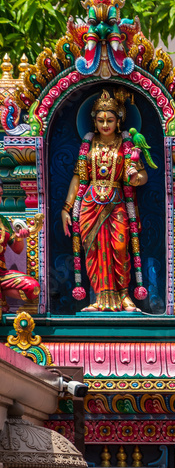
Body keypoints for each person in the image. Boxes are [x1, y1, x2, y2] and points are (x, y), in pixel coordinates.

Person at [61, 89, 148, 312]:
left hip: (117, 201)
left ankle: (124, 296)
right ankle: (99, 298)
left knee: (120, 247)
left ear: (119, 120)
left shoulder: (127, 146)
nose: (105, 124)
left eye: (110, 119)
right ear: (94, 122)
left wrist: (136, 178)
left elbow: (142, 175)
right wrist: (67, 208)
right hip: (90, 204)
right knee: (93, 250)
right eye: (100, 120)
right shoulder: (88, 146)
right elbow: (79, 177)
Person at [0, 215, 40, 310]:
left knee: (33, 288)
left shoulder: (3, 221)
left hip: (2, 274)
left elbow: (17, 249)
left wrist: (19, 237)